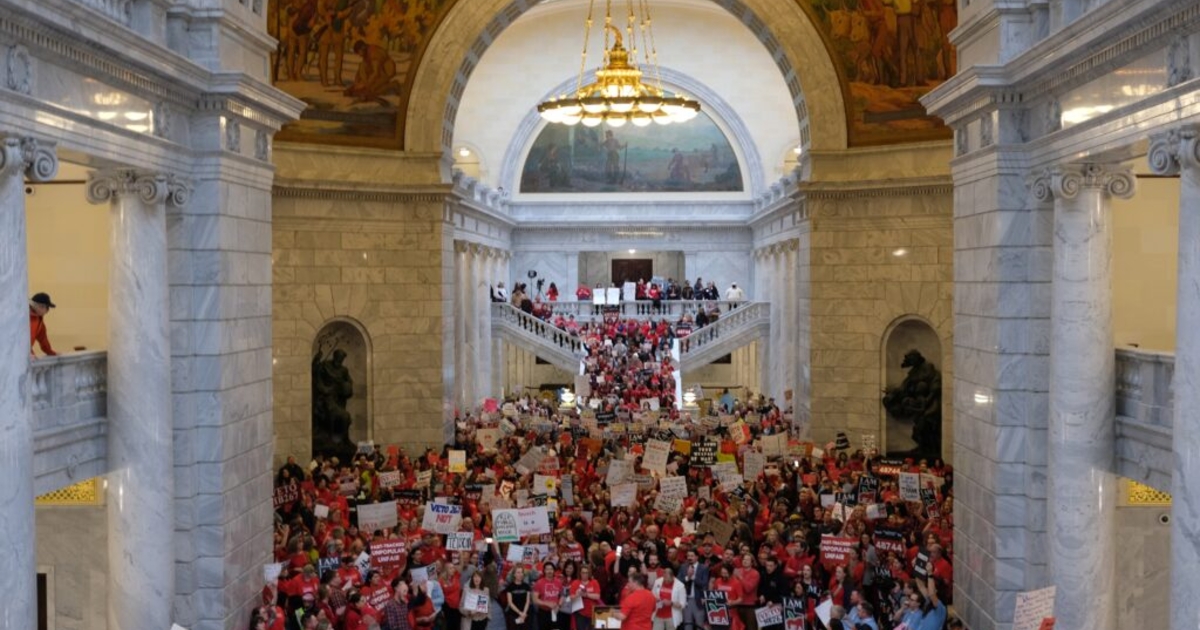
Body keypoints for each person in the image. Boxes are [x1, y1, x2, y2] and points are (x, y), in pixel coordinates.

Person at [29, 292, 57, 357]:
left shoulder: (39, 320)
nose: (47, 311)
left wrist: (50, 352)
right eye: (47, 308)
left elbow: (43, 339)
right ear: (40, 306)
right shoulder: (23, 317)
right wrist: (29, 354)